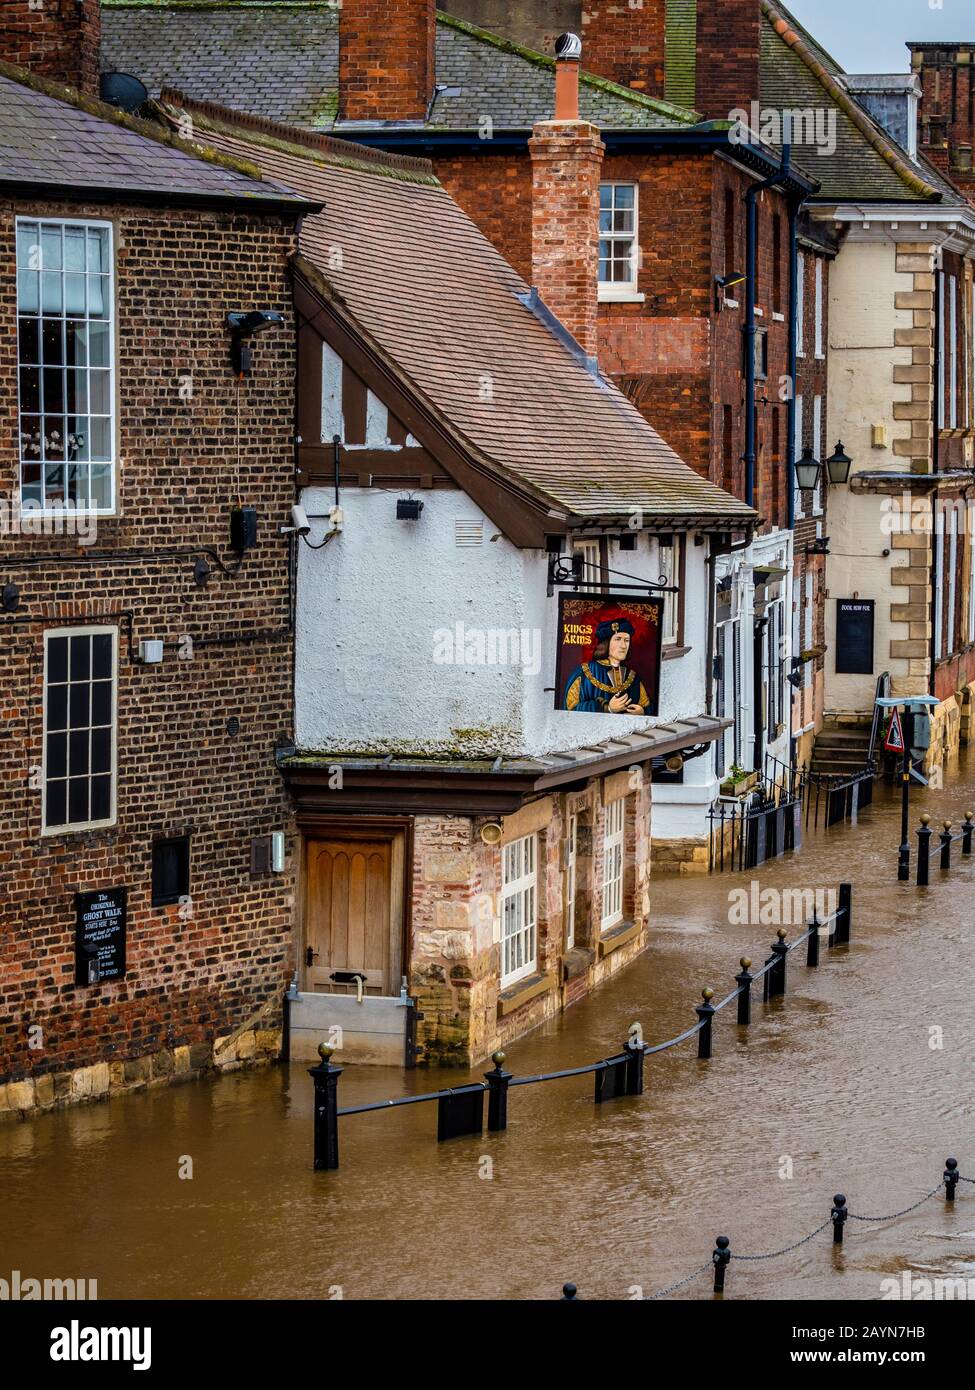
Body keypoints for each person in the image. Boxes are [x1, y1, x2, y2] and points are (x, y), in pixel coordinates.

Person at [563, 618, 651, 714]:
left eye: (626, 640)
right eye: (618, 639)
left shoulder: (633, 677)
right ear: (606, 643)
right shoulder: (583, 673)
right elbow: (570, 709)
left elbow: (648, 706)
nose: (623, 646)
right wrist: (607, 708)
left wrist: (643, 711)